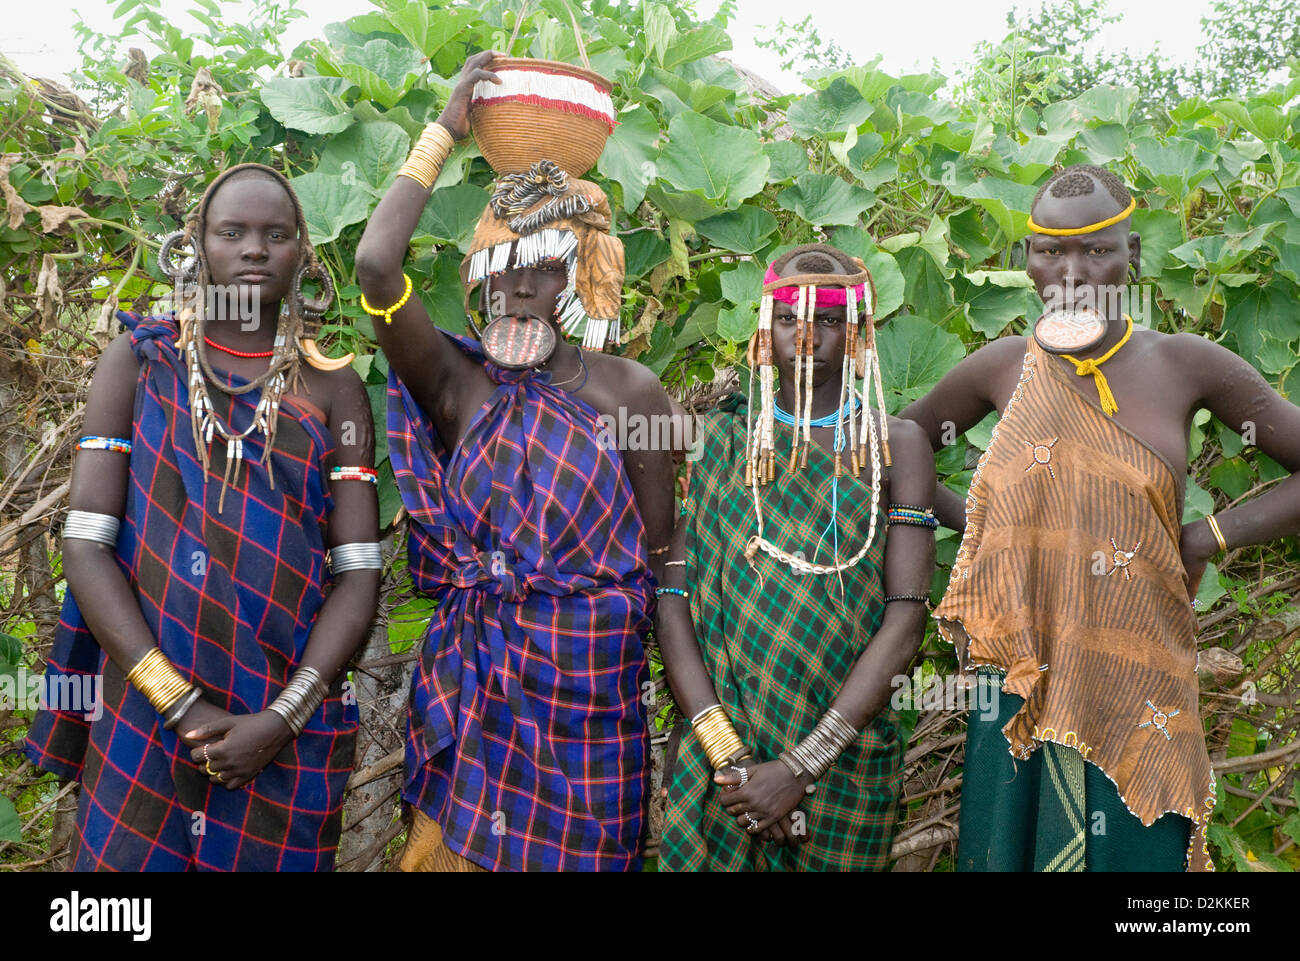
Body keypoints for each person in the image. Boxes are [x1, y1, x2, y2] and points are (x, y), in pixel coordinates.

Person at [900, 163, 1300, 871]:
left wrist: (1210, 534)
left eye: (1097, 247)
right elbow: (902, 451)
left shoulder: (1186, 366)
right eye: (1050, 249)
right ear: (1027, 258)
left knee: (1138, 851)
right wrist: (986, 529)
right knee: (1010, 844)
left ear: (1133, 255)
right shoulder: (999, 369)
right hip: (1018, 677)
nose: (1073, 269)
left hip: (1140, 675)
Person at [354, 51, 675, 872]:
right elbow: (376, 267)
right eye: (500, 276)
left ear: (584, 278)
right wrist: (446, 125)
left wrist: (701, 713)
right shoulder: (456, 384)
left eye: (540, 274)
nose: (516, 296)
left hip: (589, 696)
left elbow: (663, 559)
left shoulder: (628, 394)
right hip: (475, 684)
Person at [25, 164, 381, 871]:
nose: (255, 249)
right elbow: (87, 545)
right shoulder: (138, 362)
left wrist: (284, 716)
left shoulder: (334, 386)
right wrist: (177, 701)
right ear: (196, 248)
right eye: (233, 232)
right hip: (145, 705)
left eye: (276, 235)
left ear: (304, 257)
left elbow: (359, 572)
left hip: (282, 709)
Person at [657, 244, 936, 870]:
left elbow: (906, 618)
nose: (806, 335)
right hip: (722, 761)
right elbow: (674, 604)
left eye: (829, 321)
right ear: (764, 329)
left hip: (846, 756)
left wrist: (799, 767)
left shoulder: (898, 445)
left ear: (859, 333)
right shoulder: (725, 437)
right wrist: (731, 760)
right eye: (788, 318)